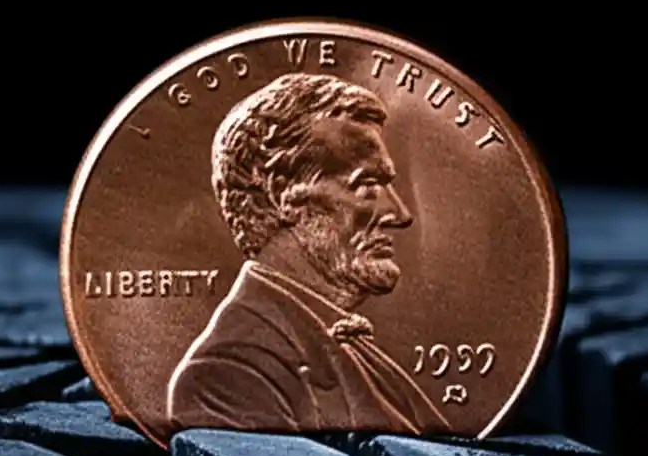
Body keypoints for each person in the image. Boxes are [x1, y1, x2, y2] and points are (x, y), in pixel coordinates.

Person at [167, 72, 452, 436]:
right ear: (282, 194)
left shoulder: (339, 340)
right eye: (366, 185)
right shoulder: (226, 376)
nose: (400, 214)